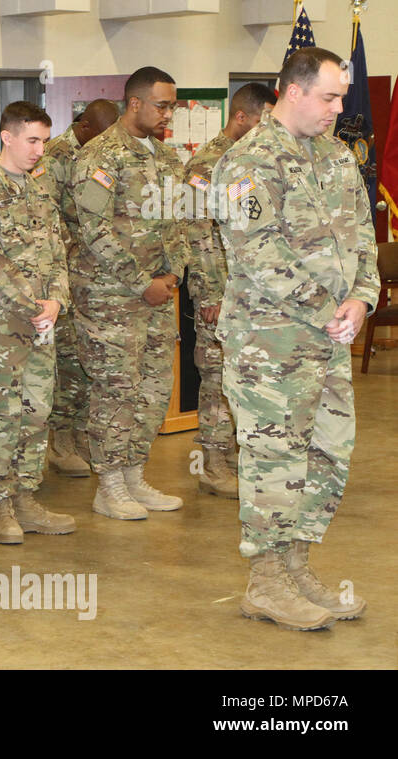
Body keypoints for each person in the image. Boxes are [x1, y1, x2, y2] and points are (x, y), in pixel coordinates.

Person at [214, 47, 376, 630]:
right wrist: (328, 309)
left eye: (341, 98)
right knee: (274, 462)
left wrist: (362, 298)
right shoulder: (246, 163)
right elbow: (257, 252)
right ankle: (266, 582)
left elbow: (366, 240)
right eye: (329, 97)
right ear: (293, 91)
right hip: (270, 347)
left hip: (329, 342)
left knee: (327, 455)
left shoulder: (336, 160)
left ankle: (296, 566)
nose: (338, 109)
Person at [72, 66, 187, 520]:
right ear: (134, 103)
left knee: (154, 389)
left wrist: (173, 275)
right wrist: (142, 282)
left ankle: (135, 476)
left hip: (158, 297)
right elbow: (94, 230)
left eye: (172, 106)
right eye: (162, 105)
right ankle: (110, 485)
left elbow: (177, 224)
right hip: (110, 298)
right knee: (115, 392)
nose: (168, 114)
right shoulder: (100, 157)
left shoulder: (166, 158)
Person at [0, 101, 75, 544]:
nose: (39, 150)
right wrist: (34, 302)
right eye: (32, 140)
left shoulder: (40, 192)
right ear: (5, 137)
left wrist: (57, 301)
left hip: (41, 325)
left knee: (37, 413)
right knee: (2, 415)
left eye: (45, 141)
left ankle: (26, 497)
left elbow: (59, 254)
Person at [183, 83, 277, 500]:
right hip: (220, 295)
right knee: (217, 378)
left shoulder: (249, 164)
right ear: (241, 117)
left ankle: (240, 456)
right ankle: (213, 463)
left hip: (252, 293)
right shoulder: (206, 165)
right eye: (263, 121)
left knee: (245, 379)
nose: (268, 130)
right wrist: (209, 295)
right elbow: (197, 235)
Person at [39, 99, 119, 478]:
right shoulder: (54, 157)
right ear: (84, 126)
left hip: (97, 276)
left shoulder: (104, 154)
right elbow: (47, 219)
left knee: (93, 361)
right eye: (101, 133)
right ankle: (60, 441)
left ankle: (84, 435)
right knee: (68, 361)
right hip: (65, 273)